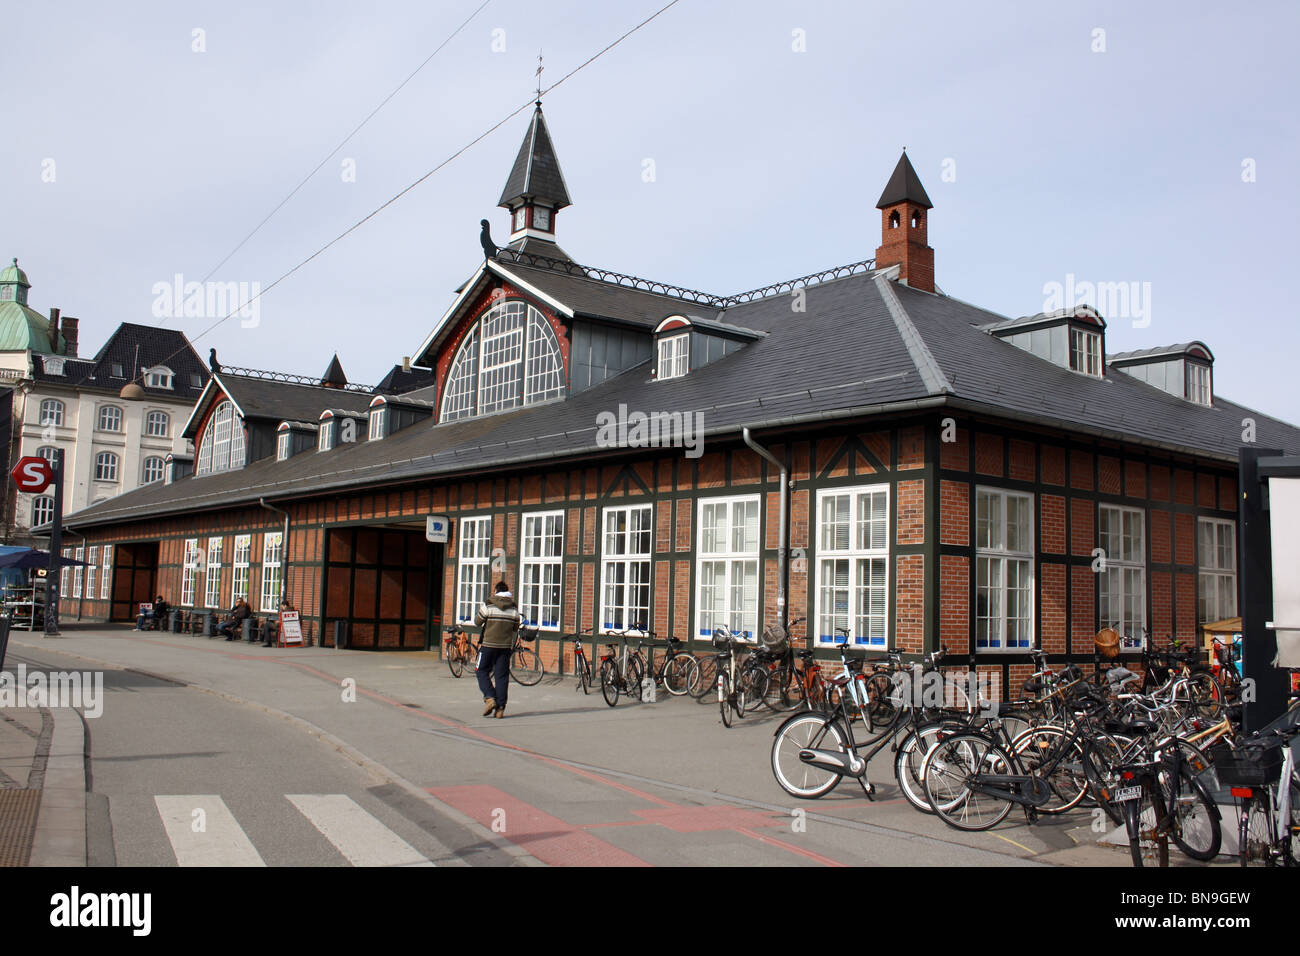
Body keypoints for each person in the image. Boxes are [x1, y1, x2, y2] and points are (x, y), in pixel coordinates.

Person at [474, 581, 520, 718]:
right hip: (505, 647)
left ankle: (490, 697)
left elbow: (477, 622)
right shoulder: (514, 608)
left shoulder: (488, 605)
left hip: (488, 645)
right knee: (502, 676)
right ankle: (500, 708)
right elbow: (515, 627)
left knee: (480, 670)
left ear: (496, 591)